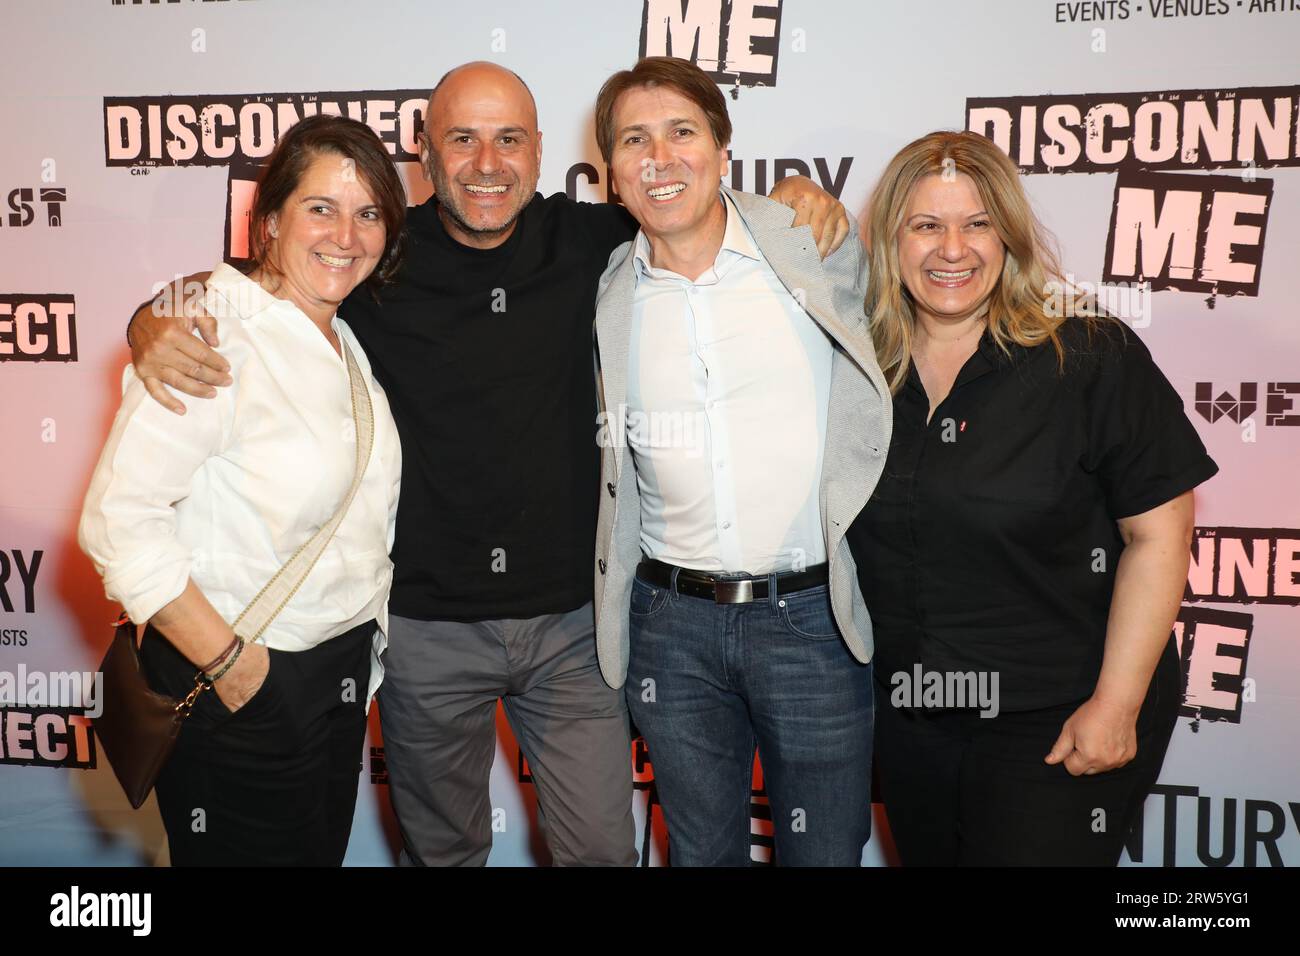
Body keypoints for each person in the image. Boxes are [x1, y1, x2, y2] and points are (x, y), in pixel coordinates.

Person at [123, 62, 848, 866]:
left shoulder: (597, 241)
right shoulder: (374, 258)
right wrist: (153, 318)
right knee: (445, 855)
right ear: (424, 157)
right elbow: (258, 290)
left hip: (575, 631)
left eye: (509, 139)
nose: (487, 162)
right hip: (424, 634)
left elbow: (699, 212)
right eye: (461, 139)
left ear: (541, 153)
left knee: (604, 852)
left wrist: (793, 195)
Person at [847, 130, 1218, 866]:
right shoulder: (858, 370)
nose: (953, 249)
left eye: (977, 223)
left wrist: (1116, 706)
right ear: (890, 242)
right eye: (926, 225)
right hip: (915, 712)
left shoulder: (1088, 359)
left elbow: (1160, 537)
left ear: (1009, 238)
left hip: (1059, 711)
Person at [79, 115, 406, 866]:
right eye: (320, 208)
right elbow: (116, 524)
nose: (345, 235)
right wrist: (234, 668)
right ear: (268, 221)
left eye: (367, 214)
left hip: (338, 674)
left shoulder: (342, 333)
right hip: (244, 678)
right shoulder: (209, 331)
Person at [590, 57, 892, 866]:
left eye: (682, 132)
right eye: (634, 140)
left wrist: (805, 192)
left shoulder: (809, 247)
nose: (660, 157)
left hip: (811, 622)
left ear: (724, 151)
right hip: (668, 627)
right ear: (610, 173)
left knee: (826, 852)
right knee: (697, 854)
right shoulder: (606, 292)